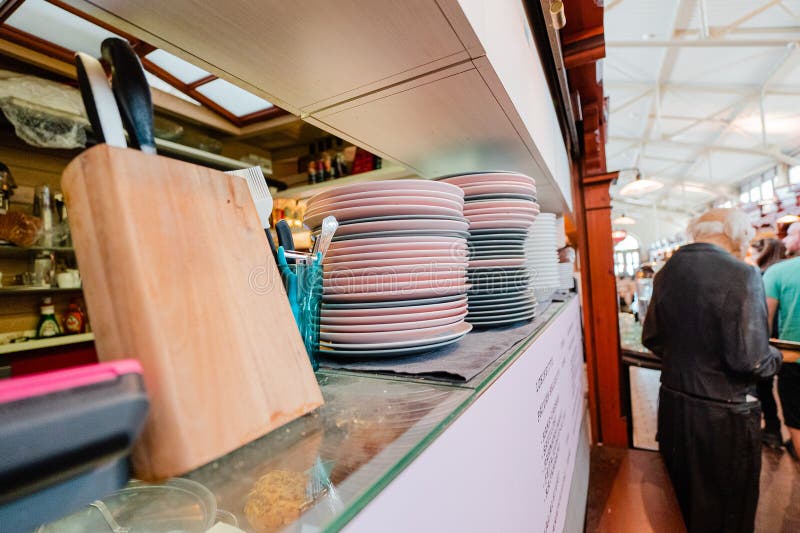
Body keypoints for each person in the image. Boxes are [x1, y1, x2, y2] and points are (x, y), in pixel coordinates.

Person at [642, 208, 782, 533]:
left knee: (680, 508)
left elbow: (652, 337)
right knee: (728, 514)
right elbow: (753, 360)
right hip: (724, 420)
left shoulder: (666, 272)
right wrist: (775, 354)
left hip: (674, 408)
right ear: (736, 234)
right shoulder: (742, 274)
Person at [764, 221, 800, 460]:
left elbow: (763, 321)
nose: (785, 241)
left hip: (794, 360)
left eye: (789, 235)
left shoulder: (777, 272)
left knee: (798, 423)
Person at [751, 237, 787, 448]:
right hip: (783, 338)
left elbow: (764, 314)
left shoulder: (764, 276)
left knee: (764, 386)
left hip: (769, 338)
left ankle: (772, 429)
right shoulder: (780, 272)